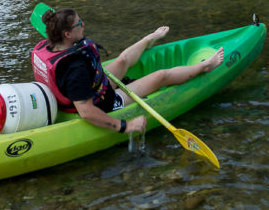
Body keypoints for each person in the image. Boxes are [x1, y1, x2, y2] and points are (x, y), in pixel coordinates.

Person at [32, 9, 224, 135]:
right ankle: (205, 66)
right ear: (67, 34)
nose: (84, 25)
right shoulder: (74, 69)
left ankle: (150, 38)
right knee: (160, 76)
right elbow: (86, 111)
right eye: (79, 24)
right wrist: (125, 126)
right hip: (103, 103)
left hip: (95, 86)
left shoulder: (49, 45)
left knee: (122, 60)